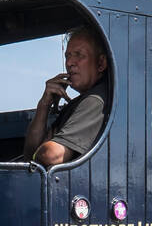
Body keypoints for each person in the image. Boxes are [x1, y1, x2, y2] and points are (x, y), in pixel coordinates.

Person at [23, 27, 110, 166]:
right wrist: (44, 104)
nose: (69, 63)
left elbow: (49, 155)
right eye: (67, 56)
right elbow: (30, 154)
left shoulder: (95, 100)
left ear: (101, 63)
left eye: (79, 55)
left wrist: (43, 149)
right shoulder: (77, 103)